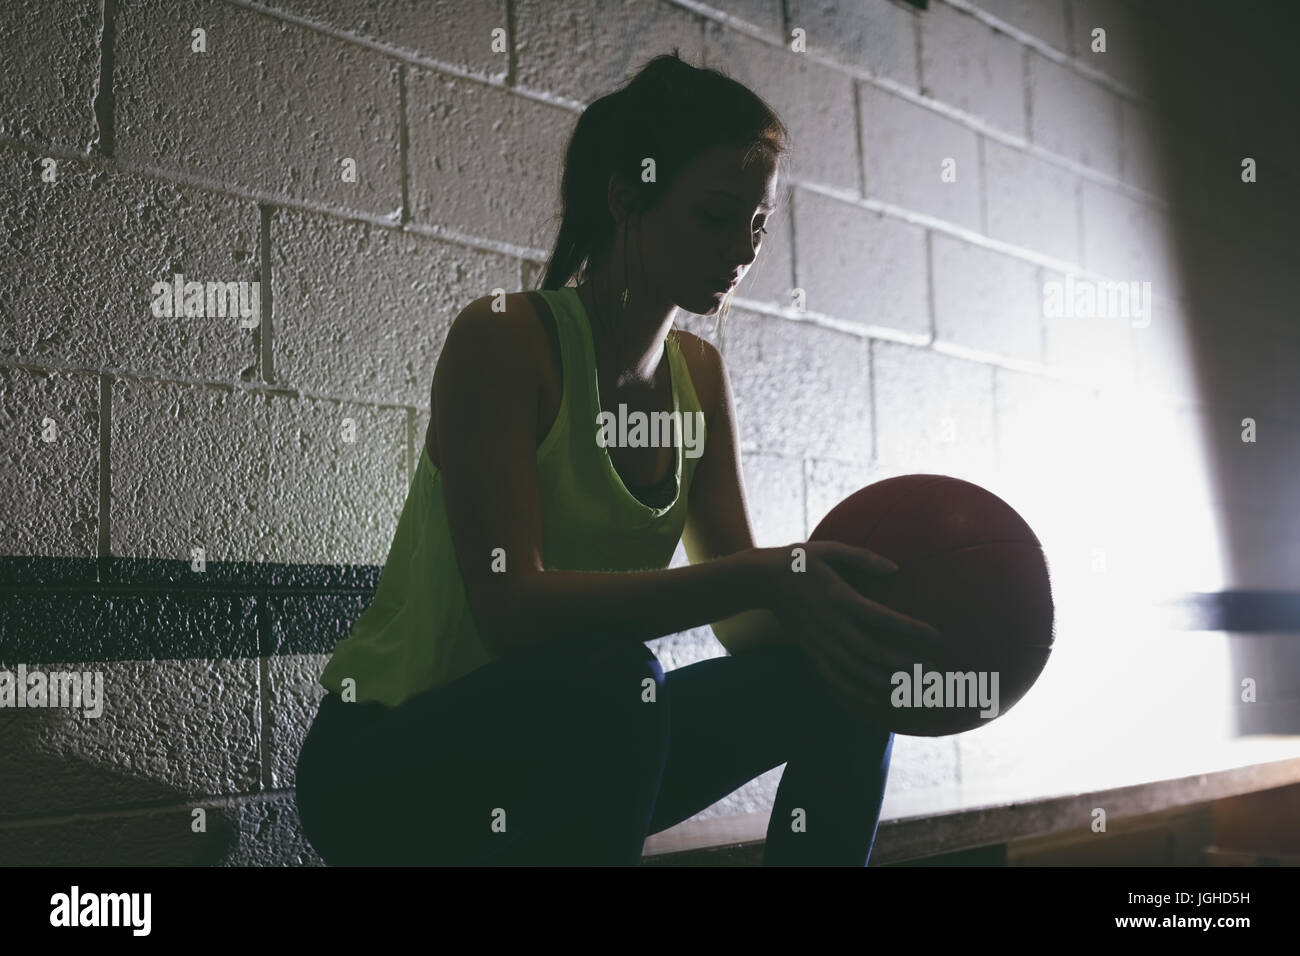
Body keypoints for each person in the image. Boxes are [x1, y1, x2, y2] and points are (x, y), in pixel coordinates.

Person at [293, 50, 940, 867]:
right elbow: (512, 608)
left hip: (571, 742)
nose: (742, 249)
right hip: (388, 762)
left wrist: (860, 621)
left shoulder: (698, 375)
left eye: (758, 223)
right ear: (627, 196)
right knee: (615, 676)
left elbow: (742, 619)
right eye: (715, 215)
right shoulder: (504, 339)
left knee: (848, 684)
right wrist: (765, 573)